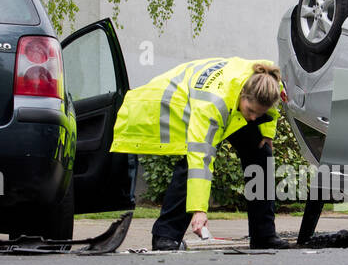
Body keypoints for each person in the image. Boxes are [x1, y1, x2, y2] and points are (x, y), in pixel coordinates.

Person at [110, 57, 290, 250]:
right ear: (243, 94)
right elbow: (200, 159)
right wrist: (199, 210)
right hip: (180, 102)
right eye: (251, 111)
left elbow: (271, 110)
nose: (253, 118)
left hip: (230, 105)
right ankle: (165, 235)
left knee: (261, 154)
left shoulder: (268, 80)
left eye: (259, 113)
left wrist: (267, 134)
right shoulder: (212, 105)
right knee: (190, 165)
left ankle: (263, 234)